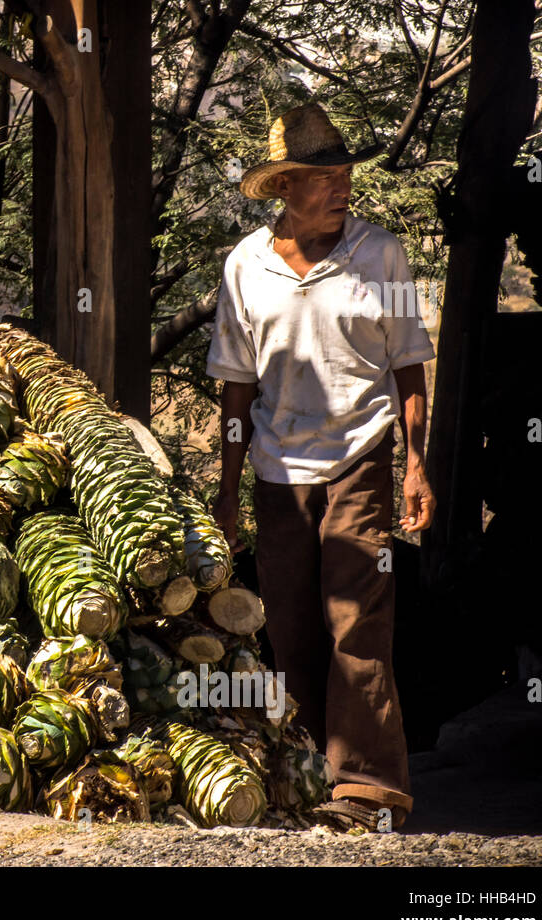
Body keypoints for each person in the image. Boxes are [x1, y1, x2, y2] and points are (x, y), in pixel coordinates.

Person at [207, 103, 435, 832]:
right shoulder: (245, 266)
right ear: (284, 187)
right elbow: (236, 386)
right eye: (322, 176)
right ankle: (304, 777)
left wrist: (416, 466)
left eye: (343, 174)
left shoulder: (382, 255)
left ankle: (366, 791)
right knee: (293, 627)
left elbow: (409, 365)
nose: (340, 186)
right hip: (278, 470)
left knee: (357, 622)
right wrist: (227, 489)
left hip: (360, 457)